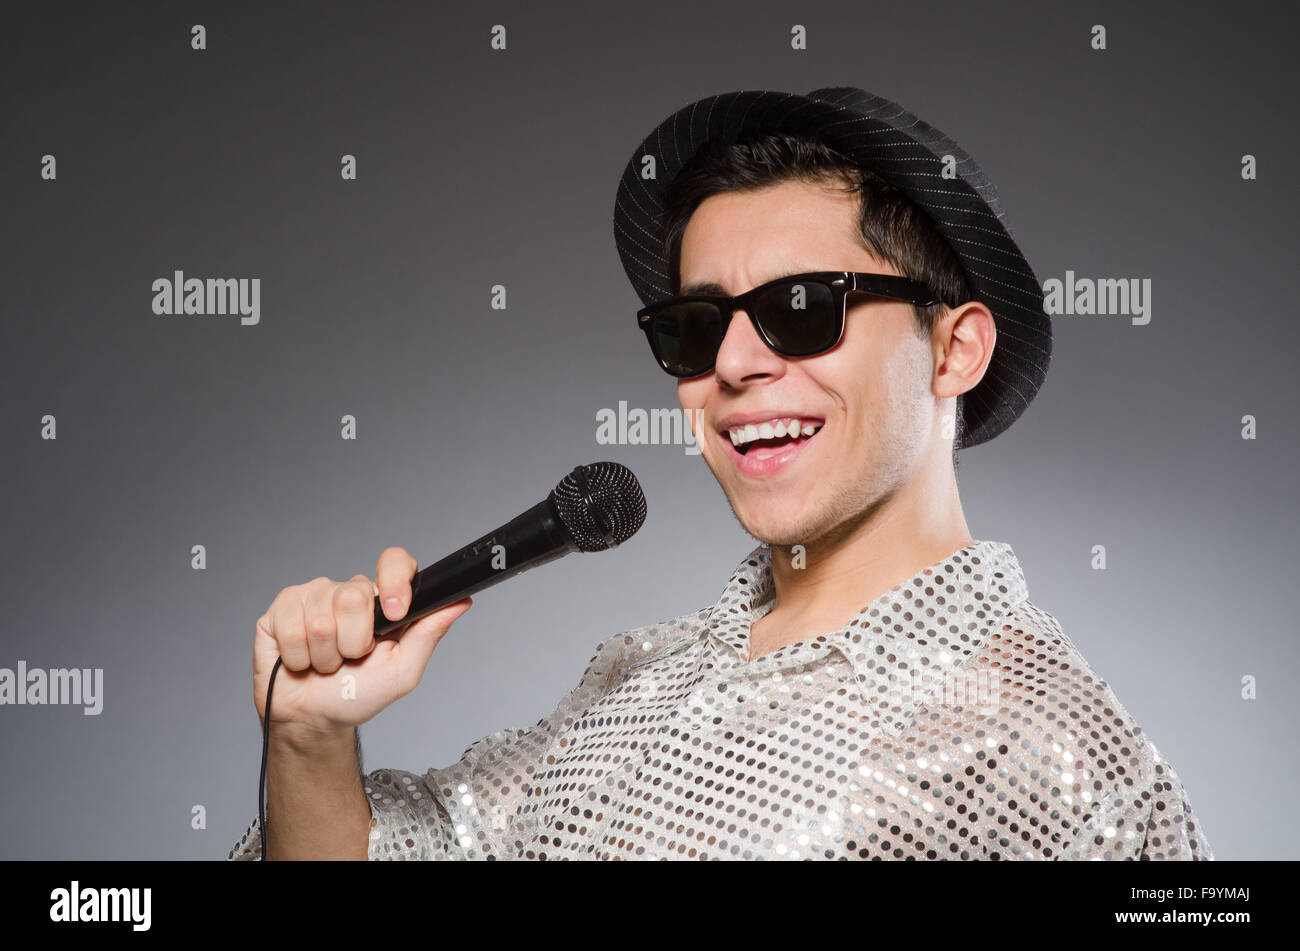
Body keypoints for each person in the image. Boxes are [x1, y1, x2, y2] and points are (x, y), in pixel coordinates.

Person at [228, 87, 1212, 860]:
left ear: (952, 351)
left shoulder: (1052, 745)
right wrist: (310, 741)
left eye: (799, 306)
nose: (734, 366)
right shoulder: (634, 678)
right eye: (697, 328)